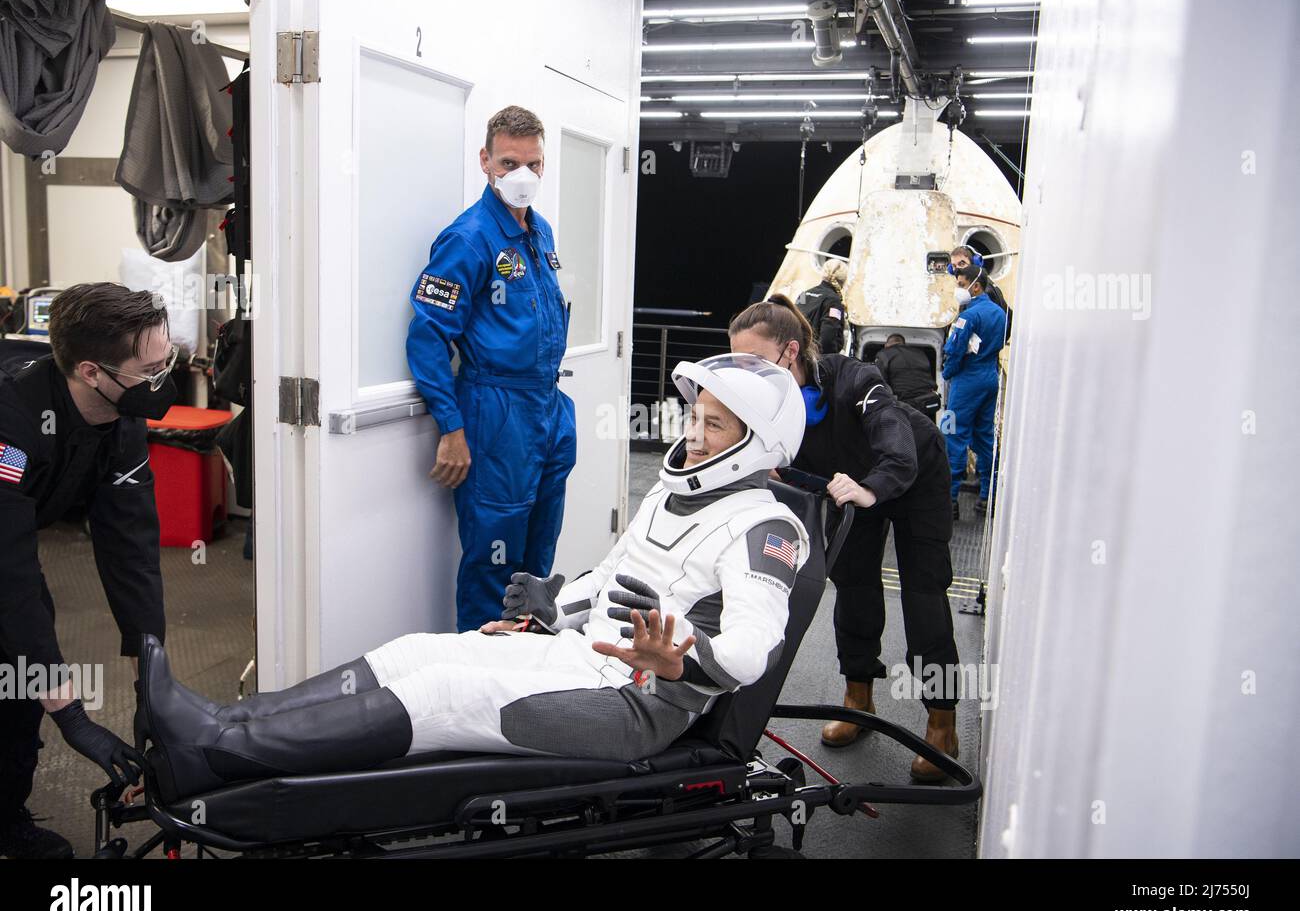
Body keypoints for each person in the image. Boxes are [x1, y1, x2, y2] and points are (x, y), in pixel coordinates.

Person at [138, 355, 811, 800]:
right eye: (694, 416)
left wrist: (679, 653)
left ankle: (218, 753)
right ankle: (225, 721)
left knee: (445, 692)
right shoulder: (671, 494)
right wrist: (556, 603)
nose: (693, 434)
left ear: (759, 443)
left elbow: (753, 650)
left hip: (636, 705)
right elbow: (610, 578)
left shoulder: (768, 528)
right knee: (415, 650)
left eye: (713, 424)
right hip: (581, 658)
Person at [729, 302, 961, 783]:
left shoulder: (857, 379)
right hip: (846, 486)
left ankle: (942, 721)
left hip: (910, 473)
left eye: (755, 363)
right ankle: (858, 696)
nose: (747, 376)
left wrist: (872, 487)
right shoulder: (767, 407)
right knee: (852, 585)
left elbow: (894, 437)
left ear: (790, 352)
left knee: (924, 595)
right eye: (739, 365)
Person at [0, 283, 175, 858]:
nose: (161, 380)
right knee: (21, 640)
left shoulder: (120, 417)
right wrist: (73, 716)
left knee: (21, 674)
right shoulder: (12, 417)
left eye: (166, 361)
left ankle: (5, 817)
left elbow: (131, 547)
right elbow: (11, 577)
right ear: (92, 371)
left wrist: (150, 680)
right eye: (148, 369)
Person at [406, 105, 577, 633]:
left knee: (538, 560)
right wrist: (451, 426)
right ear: (485, 161)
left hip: (547, 407)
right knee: (493, 561)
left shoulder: (539, 232)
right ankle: (480, 687)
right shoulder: (469, 238)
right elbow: (428, 334)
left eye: (533, 163)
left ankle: (526, 672)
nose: (521, 175)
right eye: (508, 162)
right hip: (496, 414)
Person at [943, 264, 1007, 519]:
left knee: (952, 433)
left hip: (966, 381)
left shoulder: (967, 316)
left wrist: (948, 372)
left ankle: (950, 499)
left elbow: (955, 349)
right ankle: (987, 498)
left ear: (975, 285)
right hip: (990, 377)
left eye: (961, 284)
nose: (959, 288)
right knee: (985, 437)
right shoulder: (1000, 313)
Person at [949, 245, 1012, 340]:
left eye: (962, 264)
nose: (957, 270)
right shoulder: (971, 288)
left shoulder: (984, 291)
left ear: (975, 263)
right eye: (954, 266)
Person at [873, 334, 940, 421]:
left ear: (886, 345)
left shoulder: (883, 354)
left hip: (904, 404)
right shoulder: (920, 353)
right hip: (928, 402)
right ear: (904, 344)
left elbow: (879, 381)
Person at [793, 257, 849, 355]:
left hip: (794, 353)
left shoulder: (803, 294)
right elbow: (828, 338)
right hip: (813, 359)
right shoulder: (833, 301)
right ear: (843, 280)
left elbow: (791, 320)